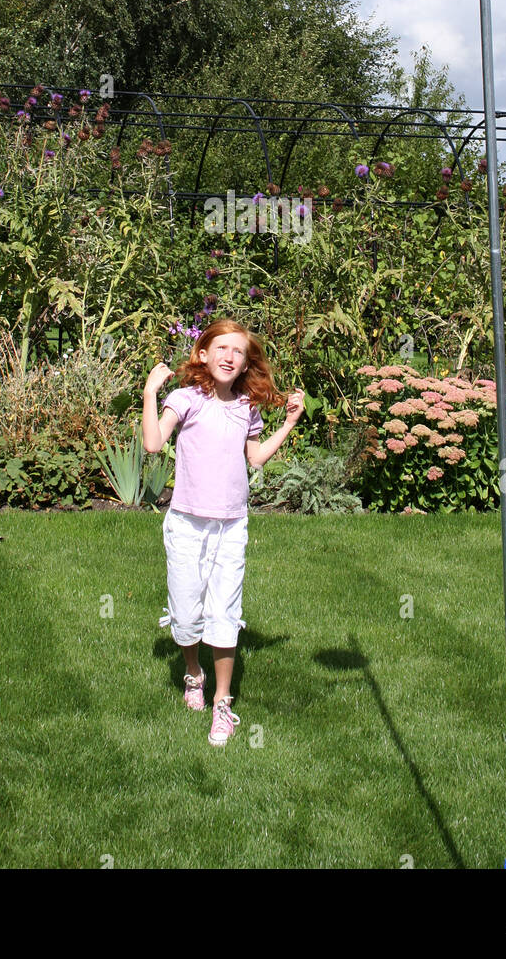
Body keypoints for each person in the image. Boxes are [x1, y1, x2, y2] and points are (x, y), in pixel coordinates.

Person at [142, 318, 304, 746]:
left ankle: (222, 704)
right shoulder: (186, 399)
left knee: (225, 613)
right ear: (203, 354)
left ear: (246, 362)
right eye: (222, 348)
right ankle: (193, 674)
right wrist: (149, 393)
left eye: (239, 352)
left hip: (232, 526)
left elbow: (255, 459)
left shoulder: (247, 407)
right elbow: (154, 443)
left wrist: (286, 425)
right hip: (186, 524)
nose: (230, 357)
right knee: (185, 611)